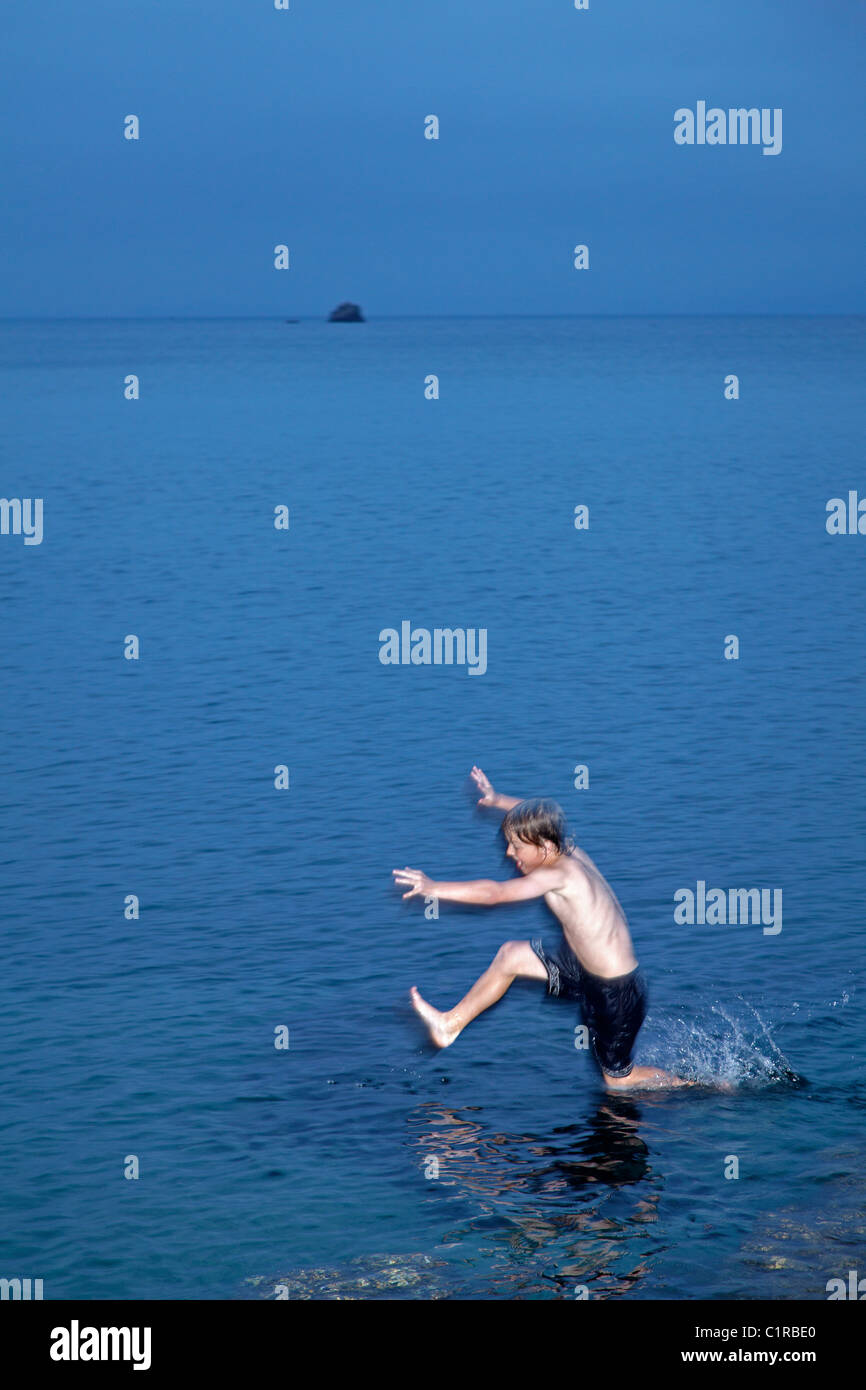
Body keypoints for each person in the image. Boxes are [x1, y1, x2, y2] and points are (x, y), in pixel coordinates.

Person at [393, 766, 690, 1091]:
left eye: (517, 847)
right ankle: (449, 1025)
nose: (509, 853)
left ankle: (693, 1089)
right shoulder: (566, 848)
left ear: (544, 848)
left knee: (619, 1083)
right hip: (584, 970)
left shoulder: (560, 874)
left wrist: (433, 887)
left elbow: (495, 893)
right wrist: (497, 800)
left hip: (616, 992)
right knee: (511, 956)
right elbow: (545, 818)